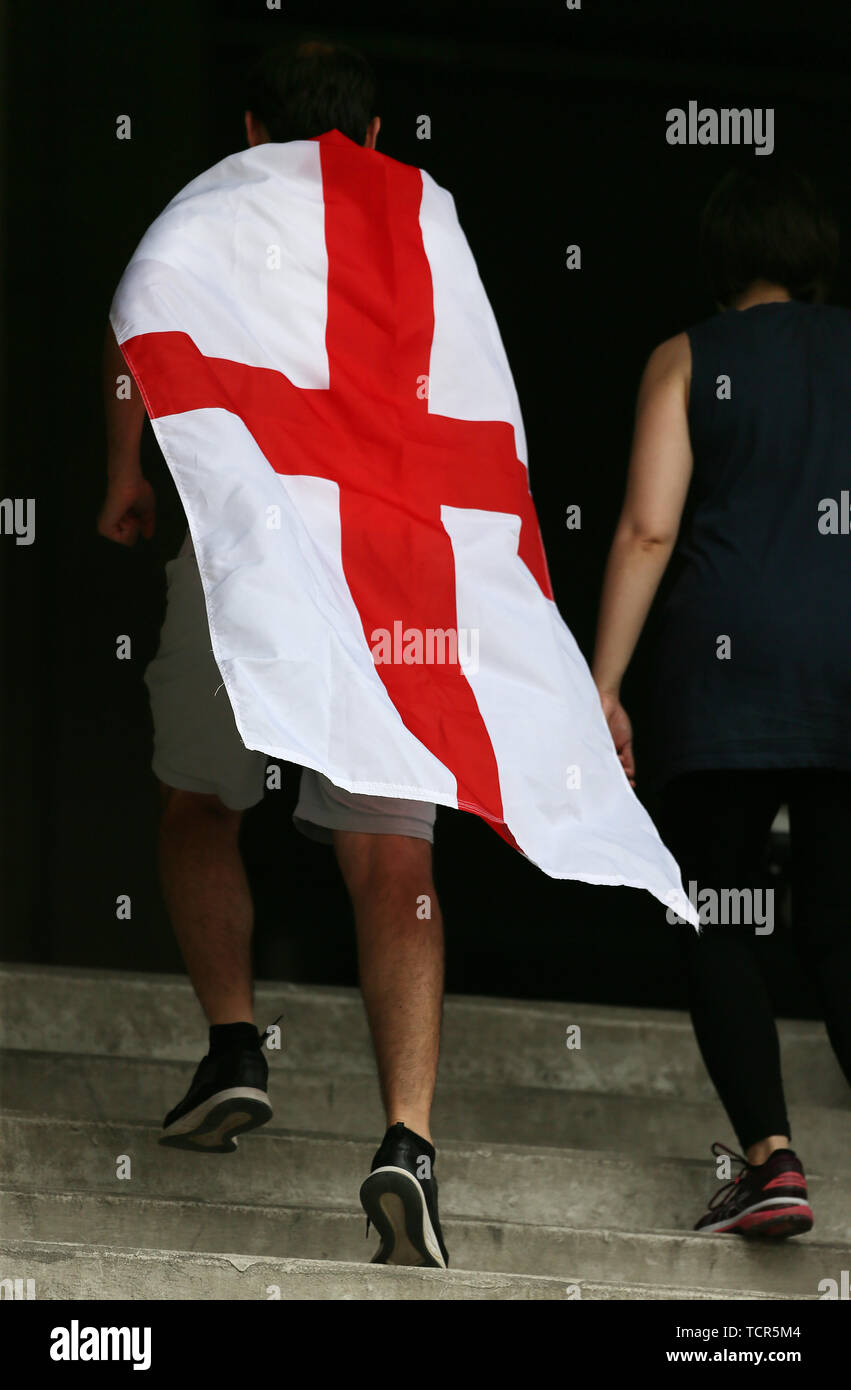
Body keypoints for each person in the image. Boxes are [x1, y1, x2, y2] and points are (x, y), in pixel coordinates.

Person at [98, 40, 448, 1270]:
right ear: (373, 127)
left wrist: (126, 478)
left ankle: (236, 1044)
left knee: (199, 800)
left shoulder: (212, 205)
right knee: (390, 852)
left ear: (252, 125)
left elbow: (137, 323)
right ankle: (406, 1136)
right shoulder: (418, 228)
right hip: (394, 562)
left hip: (245, 547)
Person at [591, 165, 851, 1238]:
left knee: (714, 907)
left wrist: (601, 686)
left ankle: (770, 1161)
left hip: (724, 669)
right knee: (840, 921)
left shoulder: (687, 356)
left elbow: (648, 529)